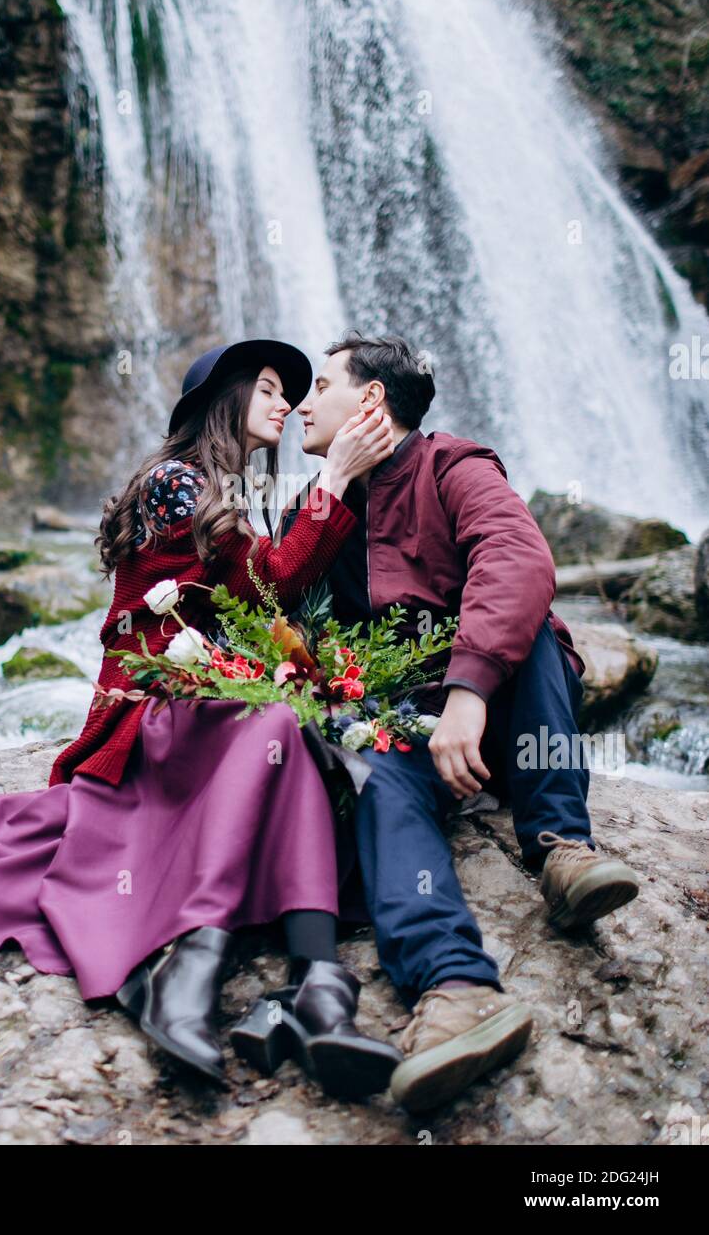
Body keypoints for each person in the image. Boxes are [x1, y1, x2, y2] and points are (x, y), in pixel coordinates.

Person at [0, 338, 403, 1100]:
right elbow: (268, 587)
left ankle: (316, 988)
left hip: (205, 703)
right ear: (222, 400)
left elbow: (261, 603)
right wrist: (335, 476)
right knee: (276, 727)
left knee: (292, 734)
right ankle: (200, 968)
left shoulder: (222, 494)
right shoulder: (178, 483)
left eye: (291, 393)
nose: (286, 405)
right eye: (268, 388)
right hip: (154, 707)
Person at [268, 330, 640, 1115]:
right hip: (407, 724)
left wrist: (469, 688)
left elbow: (518, 558)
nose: (302, 404)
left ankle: (561, 849)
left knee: (527, 623)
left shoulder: (452, 465)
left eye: (322, 386)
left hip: (505, 712)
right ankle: (458, 985)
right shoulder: (322, 503)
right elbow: (276, 613)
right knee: (374, 774)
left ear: (371, 398)